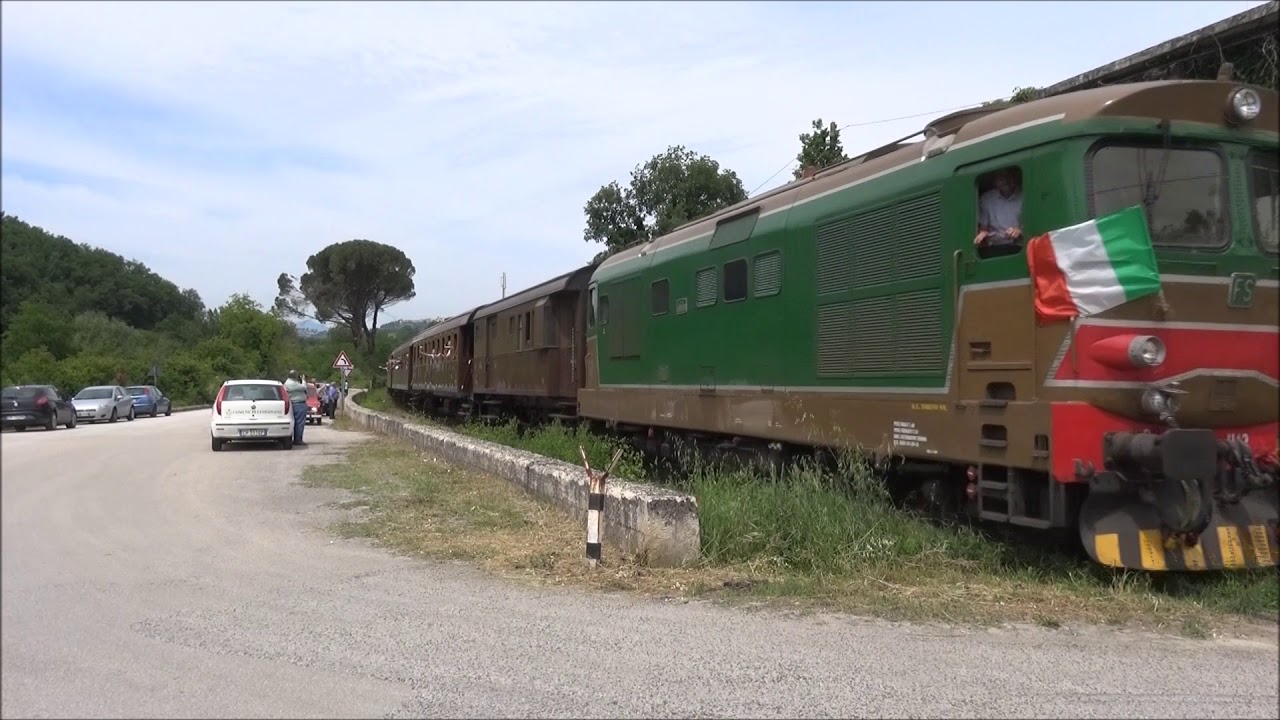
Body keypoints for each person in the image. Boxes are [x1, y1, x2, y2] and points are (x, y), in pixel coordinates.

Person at [974, 169, 1023, 259]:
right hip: (995, 248)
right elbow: (983, 229)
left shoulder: (1025, 195)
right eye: (1000, 178)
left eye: (1008, 176)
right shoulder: (986, 199)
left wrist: (1019, 231)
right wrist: (982, 235)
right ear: (995, 182)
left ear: (1014, 178)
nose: (1005, 180)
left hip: (1020, 247)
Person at [283, 369, 309, 447]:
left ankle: (295, 438)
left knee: (296, 422)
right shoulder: (291, 383)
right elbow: (304, 387)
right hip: (298, 404)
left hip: (294, 403)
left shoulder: (290, 383)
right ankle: (298, 439)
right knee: (299, 423)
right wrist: (303, 380)